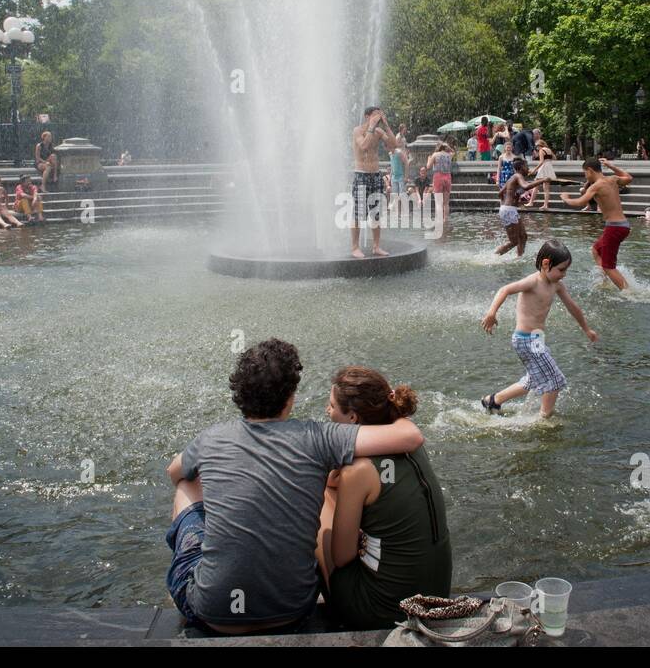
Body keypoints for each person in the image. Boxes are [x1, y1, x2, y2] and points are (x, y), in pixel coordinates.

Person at [164, 339, 425, 635]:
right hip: (292, 610)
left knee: (187, 484)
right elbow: (411, 437)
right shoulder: (319, 437)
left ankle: (208, 574)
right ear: (290, 397)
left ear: (239, 393)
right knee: (327, 488)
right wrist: (393, 402)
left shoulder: (212, 438)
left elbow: (174, 472)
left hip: (214, 612)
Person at [317, 367, 452, 630]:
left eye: (332, 405)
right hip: (437, 596)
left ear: (353, 417)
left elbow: (342, 557)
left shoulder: (358, 471)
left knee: (319, 501)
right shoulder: (408, 441)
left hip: (386, 611)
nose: (327, 410)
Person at [480, 239, 598, 419]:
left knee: (534, 379)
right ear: (545, 264)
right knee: (555, 380)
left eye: (566, 270)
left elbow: (572, 307)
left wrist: (586, 329)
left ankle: (494, 400)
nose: (564, 274)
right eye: (561, 269)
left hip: (536, 338)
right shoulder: (532, 282)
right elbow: (504, 289)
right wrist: (491, 313)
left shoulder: (556, 284)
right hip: (525, 339)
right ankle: (544, 418)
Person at [559, 158, 634, 290]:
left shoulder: (596, 186)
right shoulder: (613, 179)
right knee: (596, 250)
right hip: (622, 225)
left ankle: (628, 293)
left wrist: (566, 198)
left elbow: (580, 202)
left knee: (608, 266)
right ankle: (604, 281)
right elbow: (628, 177)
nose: (585, 176)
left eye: (585, 173)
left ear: (590, 170)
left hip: (614, 228)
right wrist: (611, 166)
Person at [350, 107, 395, 258]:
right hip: (361, 175)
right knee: (358, 213)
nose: (378, 118)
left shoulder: (379, 132)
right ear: (367, 116)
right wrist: (371, 126)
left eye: (379, 115)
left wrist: (386, 126)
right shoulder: (358, 131)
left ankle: (376, 246)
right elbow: (363, 146)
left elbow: (394, 146)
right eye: (375, 115)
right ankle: (355, 247)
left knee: (376, 213)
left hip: (376, 175)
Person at [495, 158, 548, 257]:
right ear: (521, 167)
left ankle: (519, 257)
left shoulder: (512, 178)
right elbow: (526, 186)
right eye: (527, 166)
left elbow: (500, 193)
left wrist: (508, 203)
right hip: (509, 210)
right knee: (514, 241)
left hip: (509, 210)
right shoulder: (517, 176)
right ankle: (493, 257)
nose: (528, 169)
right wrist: (543, 180)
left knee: (523, 236)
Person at [427, 142, 454, 227]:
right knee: (446, 203)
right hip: (448, 177)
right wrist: (447, 146)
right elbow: (452, 150)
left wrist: (428, 159)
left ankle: (439, 220)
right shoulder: (449, 155)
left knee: (438, 202)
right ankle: (445, 220)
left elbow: (428, 167)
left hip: (438, 177)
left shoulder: (435, 154)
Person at [533, 140, 558, 210]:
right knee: (546, 188)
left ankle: (531, 202)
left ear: (539, 145)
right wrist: (548, 160)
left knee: (536, 185)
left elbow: (541, 162)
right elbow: (555, 158)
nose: (536, 148)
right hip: (549, 167)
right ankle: (545, 205)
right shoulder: (549, 150)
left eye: (536, 146)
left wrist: (534, 169)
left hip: (543, 168)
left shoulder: (541, 150)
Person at [388, 141, 408, 214]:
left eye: (389, 146)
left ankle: (405, 210)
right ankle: (397, 211)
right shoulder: (390, 154)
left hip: (401, 176)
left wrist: (406, 176)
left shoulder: (399, 152)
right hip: (394, 176)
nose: (388, 148)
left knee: (402, 194)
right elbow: (392, 166)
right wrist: (390, 177)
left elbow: (406, 163)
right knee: (395, 194)